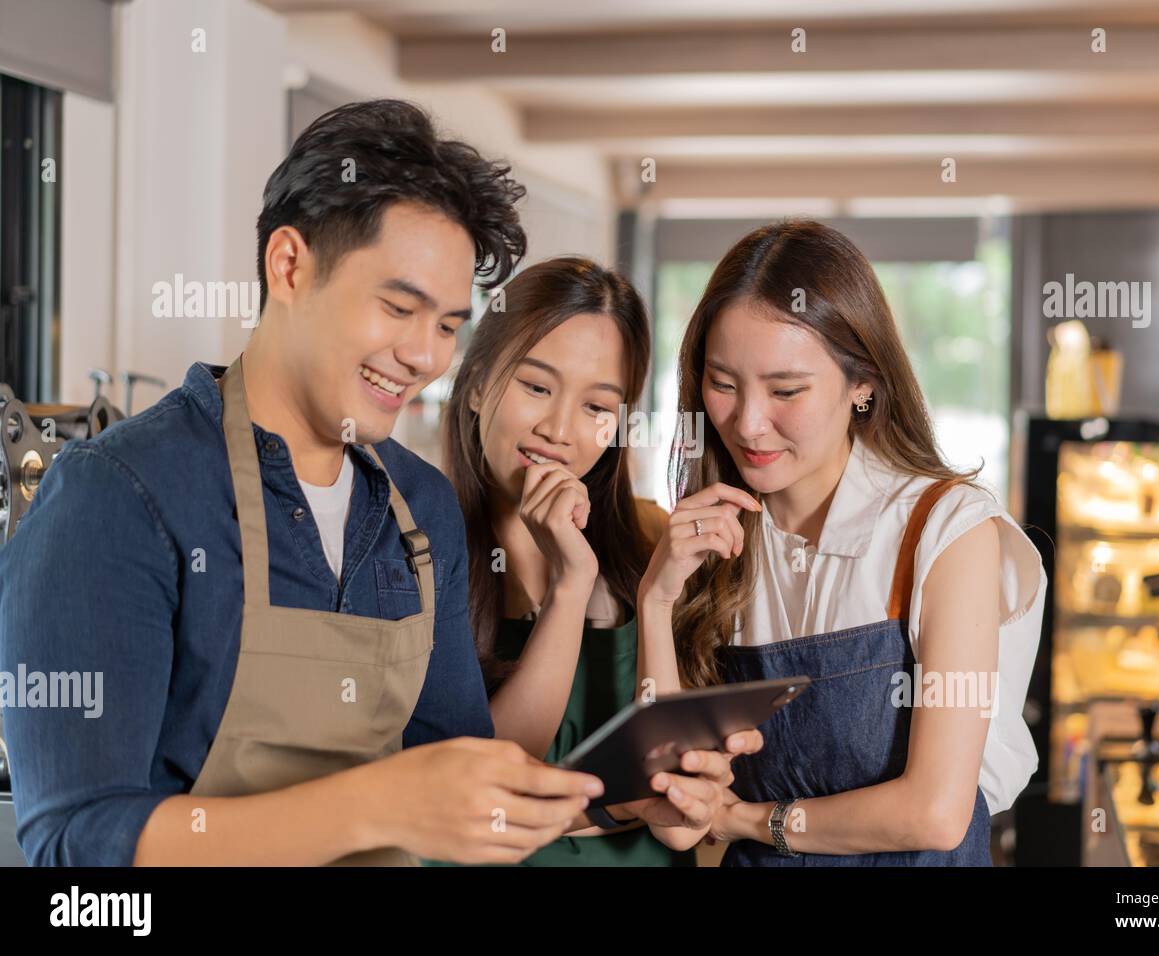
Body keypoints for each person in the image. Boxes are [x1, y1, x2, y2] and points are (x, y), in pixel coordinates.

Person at [0, 100, 707, 866]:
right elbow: (72, 852)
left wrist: (627, 794)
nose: (425, 356)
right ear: (290, 266)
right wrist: (377, 803)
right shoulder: (118, 497)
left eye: (445, 326)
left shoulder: (418, 511)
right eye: (398, 307)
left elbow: (466, 792)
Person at [636, 220, 1046, 865]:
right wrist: (656, 604)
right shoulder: (714, 539)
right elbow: (678, 825)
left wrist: (746, 819)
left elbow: (935, 814)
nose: (747, 422)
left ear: (863, 385)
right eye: (723, 383)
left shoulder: (945, 532)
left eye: (786, 390)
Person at [435, 256, 760, 866]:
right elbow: (494, 784)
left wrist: (655, 602)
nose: (559, 430)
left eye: (596, 407)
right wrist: (569, 584)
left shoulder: (651, 538)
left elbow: (681, 810)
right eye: (536, 387)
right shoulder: (418, 543)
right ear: (478, 384)